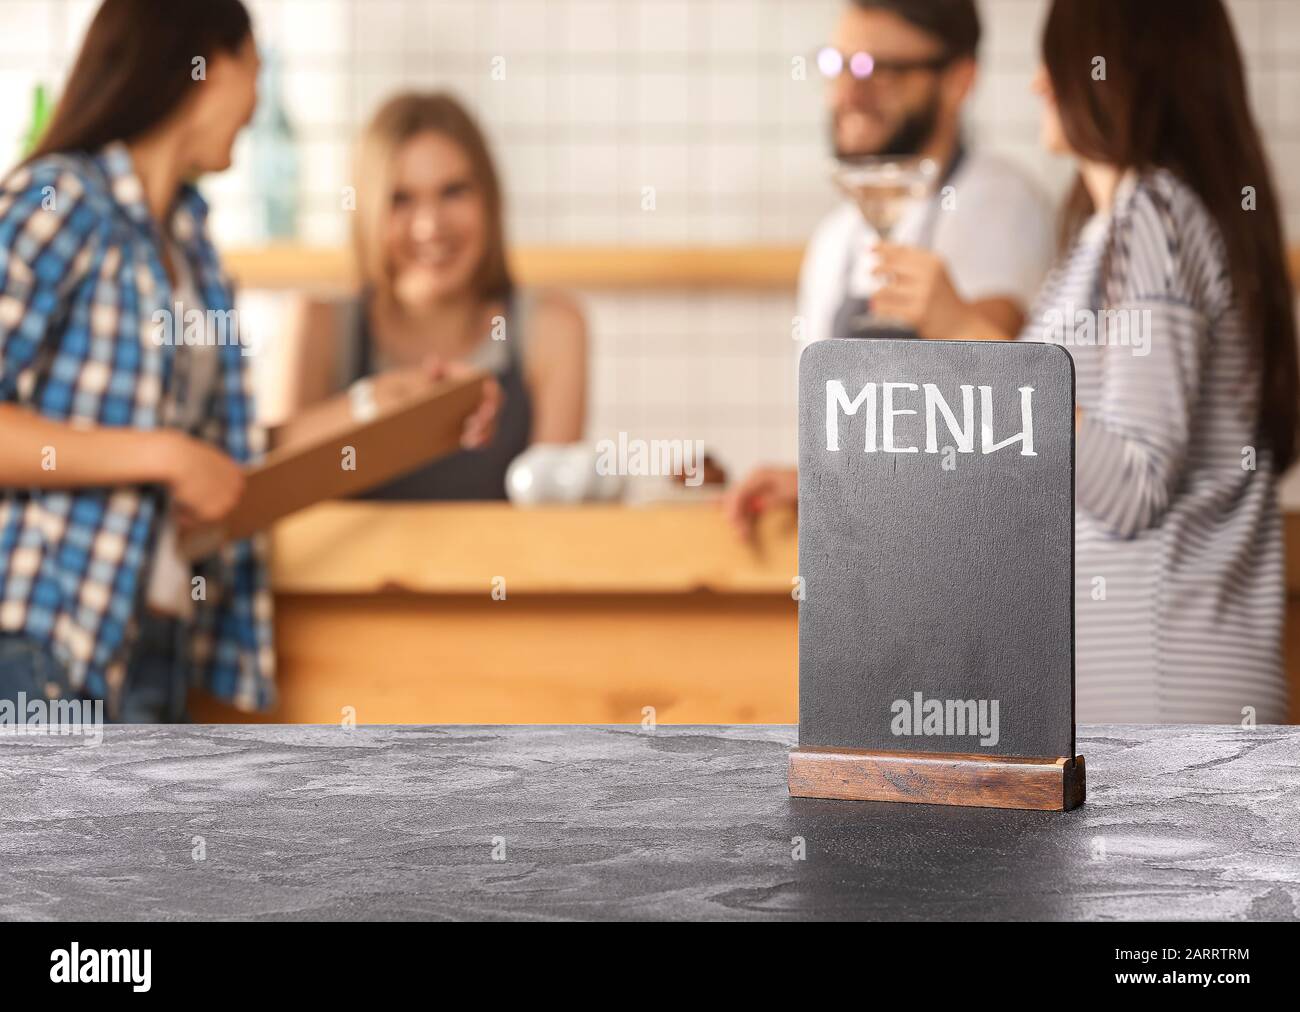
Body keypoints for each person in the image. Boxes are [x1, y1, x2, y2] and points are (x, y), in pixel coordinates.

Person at [776, 0, 1298, 723]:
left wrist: (968, 333)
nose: (1036, 86)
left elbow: (1133, 484)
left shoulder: (1153, 215)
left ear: (1115, 75)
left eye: (1057, 62)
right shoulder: (1115, 228)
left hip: (1163, 692)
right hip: (1148, 692)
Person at [0, 0, 495, 721]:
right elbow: (171, 459)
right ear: (207, 64)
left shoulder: (193, 254)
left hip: (149, 646)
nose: (257, 103)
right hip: (39, 641)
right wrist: (163, 454)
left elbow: (219, 466)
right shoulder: (60, 201)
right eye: (255, 72)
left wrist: (373, 406)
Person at [726, 0, 1054, 530]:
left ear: (958, 80)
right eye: (839, 65)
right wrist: (809, 481)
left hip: (965, 543)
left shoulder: (998, 202)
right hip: (863, 552)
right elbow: (827, 435)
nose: (850, 92)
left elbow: (988, 406)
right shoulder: (834, 239)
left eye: (880, 69)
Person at [269, 92, 587, 500]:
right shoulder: (316, 325)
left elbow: (554, 524)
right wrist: (369, 408)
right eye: (400, 199)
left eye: (453, 191)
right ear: (366, 212)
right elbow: (272, 488)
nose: (430, 226)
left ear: (489, 200)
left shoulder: (551, 328)